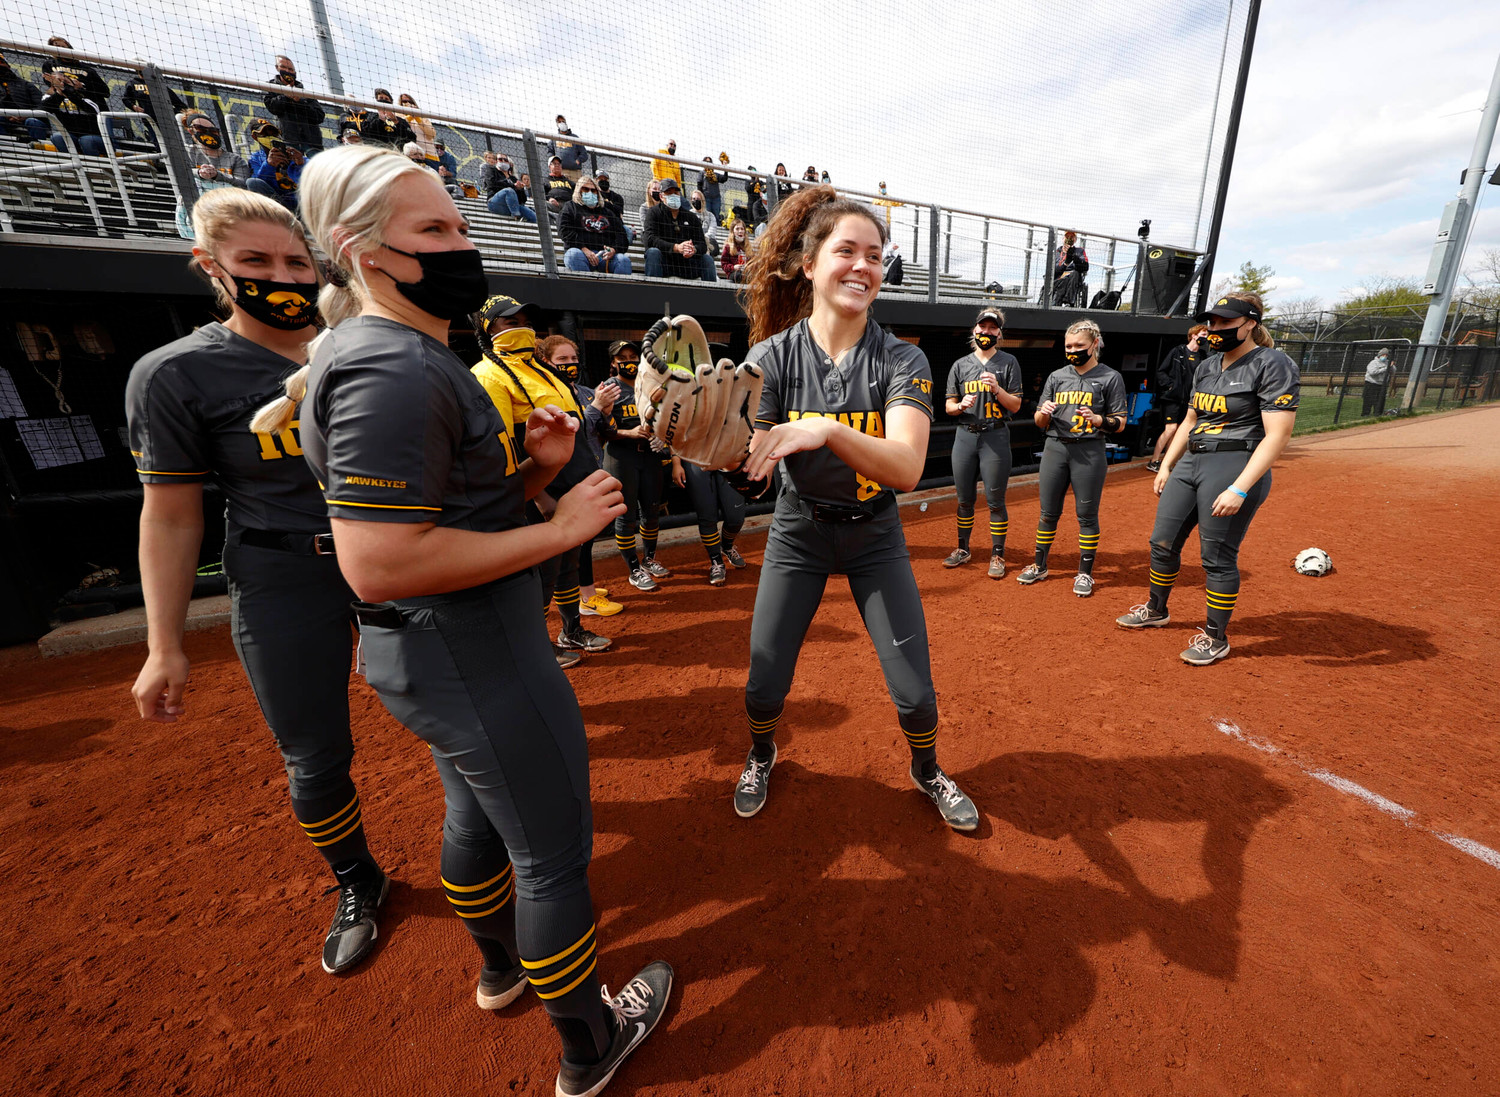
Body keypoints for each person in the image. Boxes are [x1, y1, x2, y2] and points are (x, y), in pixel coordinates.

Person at [287, 144, 672, 1092]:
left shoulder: (373, 347)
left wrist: (535, 475)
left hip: (433, 658)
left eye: (459, 224)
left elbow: (436, 516)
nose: (463, 244)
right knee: (552, 853)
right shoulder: (396, 363)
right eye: (434, 230)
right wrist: (563, 526)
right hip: (476, 652)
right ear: (362, 250)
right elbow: (376, 561)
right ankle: (589, 1044)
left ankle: (500, 972)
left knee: (474, 811)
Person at [126, 187, 387, 976]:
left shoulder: (363, 341)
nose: (281, 275)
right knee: (314, 753)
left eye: (294, 261)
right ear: (212, 269)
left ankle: (481, 854)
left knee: (454, 712)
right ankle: (357, 882)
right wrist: (163, 643)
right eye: (255, 262)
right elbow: (171, 516)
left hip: (388, 556)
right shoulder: (174, 373)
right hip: (281, 572)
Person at [729, 184, 979, 832]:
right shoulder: (772, 357)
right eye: (847, 250)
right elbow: (751, 466)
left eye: (875, 254)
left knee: (917, 693)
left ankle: (926, 769)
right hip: (799, 532)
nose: (864, 266)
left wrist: (827, 429)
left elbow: (905, 466)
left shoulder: (903, 358)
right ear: (810, 264)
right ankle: (761, 752)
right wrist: (716, 449)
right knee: (762, 685)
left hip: (874, 535)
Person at [1115, 292, 1299, 665]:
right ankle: (1156, 609)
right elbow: (1191, 420)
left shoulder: (1272, 363)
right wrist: (1167, 463)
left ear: (1250, 324)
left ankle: (1215, 637)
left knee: (1216, 557)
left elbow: (1277, 435)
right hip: (1192, 462)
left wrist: (1240, 487)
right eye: (1212, 322)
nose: (1216, 329)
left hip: (1234, 463)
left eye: (1225, 322)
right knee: (1162, 543)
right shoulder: (1207, 365)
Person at [470, 297, 615, 662]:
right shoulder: (488, 374)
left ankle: (571, 631)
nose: (520, 327)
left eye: (524, 320)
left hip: (573, 487)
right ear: (489, 330)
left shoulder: (542, 369)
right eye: (508, 322)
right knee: (540, 575)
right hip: (541, 494)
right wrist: (542, 499)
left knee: (569, 565)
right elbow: (502, 448)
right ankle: (532, 647)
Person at [1017, 318, 1128, 596]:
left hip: (1089, 450)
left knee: (1087, 515)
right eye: (1068, 345)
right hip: (1056, 447)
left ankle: (1084, 573)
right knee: (1047, 512)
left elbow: (1121, 422)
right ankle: (1039, 565)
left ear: (1094, 344)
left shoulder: (1110, 377)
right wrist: (1044, 412)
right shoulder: (1057, 376)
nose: (1073, 350)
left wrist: (1098, 418)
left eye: (1079, 345)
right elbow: (1039, 421)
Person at [538, 335, 625, 619]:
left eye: (573, 359)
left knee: (586, 540)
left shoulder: (587, 392)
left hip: (589, 473)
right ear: (546, 362)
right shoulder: (546, 394)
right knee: (571, 546)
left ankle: (584, 588)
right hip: (563, 480)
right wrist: (597, 407)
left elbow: (607, 431)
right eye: (562, 360)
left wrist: (607, 411)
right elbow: (570, 429)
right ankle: (585, 598)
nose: (570, 364)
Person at [942, 308, 1022, 577]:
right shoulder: (961, 365)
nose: (986, 332)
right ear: (974, 330)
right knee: (964, 499)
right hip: (965, 434)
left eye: (992, 328)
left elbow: (1017, 404)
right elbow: (948, 406)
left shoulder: (1008, 362)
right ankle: (963, 548)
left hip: (995, 435)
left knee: (995, 500)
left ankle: (997, 555)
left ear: (999, 333)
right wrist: (959, 405)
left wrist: (998, 390)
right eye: (982, 327)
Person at [595, 339, 671, 591]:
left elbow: (668, 419)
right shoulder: (608, 389)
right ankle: (633, 569)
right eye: (623, 358)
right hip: (621, 457)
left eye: (633, 356)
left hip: (650, 456)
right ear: (614, 363)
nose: (629, 361)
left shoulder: (650, 386)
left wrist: (664, 436)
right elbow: (598, 429)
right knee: (626, 516)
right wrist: (627, 433)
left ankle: (648, 560)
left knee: (651, 511)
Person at [672, 454, 748, 586]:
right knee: (707, 516)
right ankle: (716, 561)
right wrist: (676, 464)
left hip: (728, 455)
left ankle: (727, 547)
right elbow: (674, 434)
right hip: (695, 457)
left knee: (736, 517)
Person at [1148, 324, 1207, 472]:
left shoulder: (1203, 357)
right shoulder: (1178, 351)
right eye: (1203, 335)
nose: (1205, 338)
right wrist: (1170, 386)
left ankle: (1167, 462)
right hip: (1172, 398)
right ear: (1194, 335)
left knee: (1179, 430)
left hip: (1188, 400)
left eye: (1206, 335)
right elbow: (1161, 371)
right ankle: (1154, 460)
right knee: (1170, 429)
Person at [643, 178, 715, 281]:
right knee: (653, 253)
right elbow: (649, 240)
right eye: (668, 192)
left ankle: (710, 295)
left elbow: (702, 244)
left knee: (707, 259)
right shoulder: (653, 213)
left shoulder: (691, 217)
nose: (673, 195)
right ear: (661, 196)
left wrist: (693, 249)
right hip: (665, 262)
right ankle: (653, 294)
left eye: (676, 192)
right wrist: (676, 247)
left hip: (687, 264)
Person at [559, 176, 631, 274]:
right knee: (572, 255)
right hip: (581, 254)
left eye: (593, 190)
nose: (590, 192)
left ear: (598, 193)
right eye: (585, 189)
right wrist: (584, 249)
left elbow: (622, 236)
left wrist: (614, 249)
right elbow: (564, 231)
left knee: (623, 260)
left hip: (605, 257)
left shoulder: (608, 213)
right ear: (578, 190)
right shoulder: (570, 207)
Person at [263, 57, 325, 156]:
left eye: (290, 69)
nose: (287, 71)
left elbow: (319, 116)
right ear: (277, 68)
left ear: (295, 72)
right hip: (289, 141)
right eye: (283, 67)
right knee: (294, 169)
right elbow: (273, 108)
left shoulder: (304, 92)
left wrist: (299, 101)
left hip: (312, 142)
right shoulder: (270, 87)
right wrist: (286, 96)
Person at [38, 68, 105, 156]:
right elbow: (43, 110)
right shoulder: (50, 96)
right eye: (58, 81)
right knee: (57, 137)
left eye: (65, 81)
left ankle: (95, 166)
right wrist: (60, 93)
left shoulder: (87, 94)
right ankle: (72, 164)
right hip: (70, 135)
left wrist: (67, 91)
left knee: (86, 140)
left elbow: (92, 110)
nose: (62, 84)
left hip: (95, 137)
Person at [246, 120, 305, 210]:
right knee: (252, 182)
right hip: (276, 202)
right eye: (265, 135)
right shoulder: (256, 158)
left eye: (273, 134)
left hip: (300, 201)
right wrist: (269, 165)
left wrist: (300, 164)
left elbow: (310, 179)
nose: (270, 137)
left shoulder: (293, 153)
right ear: (255, 137)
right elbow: (257, 185)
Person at [184, 114, 250, 189]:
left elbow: (243, 183)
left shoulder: (235, 159)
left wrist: (216, 175)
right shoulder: (188, 151)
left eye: (213, 131)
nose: (208, 133)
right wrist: (199, 172)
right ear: (191, 131)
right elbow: (181, 172)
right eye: (201, 129)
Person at [1, 53, 49, 145]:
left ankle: (39, 151)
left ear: (8, 65)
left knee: (33, 122)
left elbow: (42, 104)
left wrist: (26, 115)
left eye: (1, 62)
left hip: (28, 118)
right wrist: (7, 115)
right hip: (3, 118)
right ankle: (6, 149)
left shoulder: (26, 85)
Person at [484, 152, 536, 223]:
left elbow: (523, 201)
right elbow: (492, 184)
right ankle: (516, 217)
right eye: (500, 159)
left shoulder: (513, 178)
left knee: (533, 215)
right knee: (509, 191)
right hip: (494, 203)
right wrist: (513, 186)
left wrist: (520, 189)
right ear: (496, 161)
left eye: (505, 160)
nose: (503, 161)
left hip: (510, 206)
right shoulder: (491, 170)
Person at [1051, 231, 1089, 307]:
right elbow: (1054, 270)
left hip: (1073, 276)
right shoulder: (1057, 252)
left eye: (1072, 237)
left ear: (1075, 240)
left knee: (1075, 273)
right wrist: (1066, 262)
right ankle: (1057, 304)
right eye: (1067, 237)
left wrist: (1075, 258)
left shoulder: (1080, 251)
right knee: (1063, 280)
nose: (1069, 239)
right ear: (1063, 239)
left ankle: (1068, 302)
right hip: (1059, 277)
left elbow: (1085, 267)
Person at [398, 95, 438, 162]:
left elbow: (432, 135)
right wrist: (410, 116)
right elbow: (399, 126)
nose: (408, 103)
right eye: (404, 101)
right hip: (411, 156)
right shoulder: (398, 115)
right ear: (400, 103)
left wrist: (417, 118)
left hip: (430, 156)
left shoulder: (423, 117)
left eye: (410, 101)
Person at [549, 115, 589, 182]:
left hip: (575, 172)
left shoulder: (575, 138)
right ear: (557, 124)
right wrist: (555, 163)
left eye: (563, 121)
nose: (561, 123)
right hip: (561, 172)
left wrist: (578, 161)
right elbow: (550, 152)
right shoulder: (554, 139)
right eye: (559, 122)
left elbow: (584, 154)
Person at [1362, 347, 1393, 416]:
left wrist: (1391, 366)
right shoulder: (1373, 363)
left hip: (1382, 384)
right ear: (1380, 355)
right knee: (1368, 400)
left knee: (1380, 400)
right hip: (1371, 383)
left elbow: (1392, 372)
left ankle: (1378, 414)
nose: (1385, 357)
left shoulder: (1387, 362)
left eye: (1386, 355)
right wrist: (1385, 368)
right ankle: (1365, 414)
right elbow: (1372, 372)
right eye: (1384, 355)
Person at [691, 188, 720, 253]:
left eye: (698, 199)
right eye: (694, 199)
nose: (696, 201)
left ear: (703, 200)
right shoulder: (688, 214)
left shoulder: (710, 215)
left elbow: (712, 231)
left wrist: (703, 238)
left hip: (707, 241)